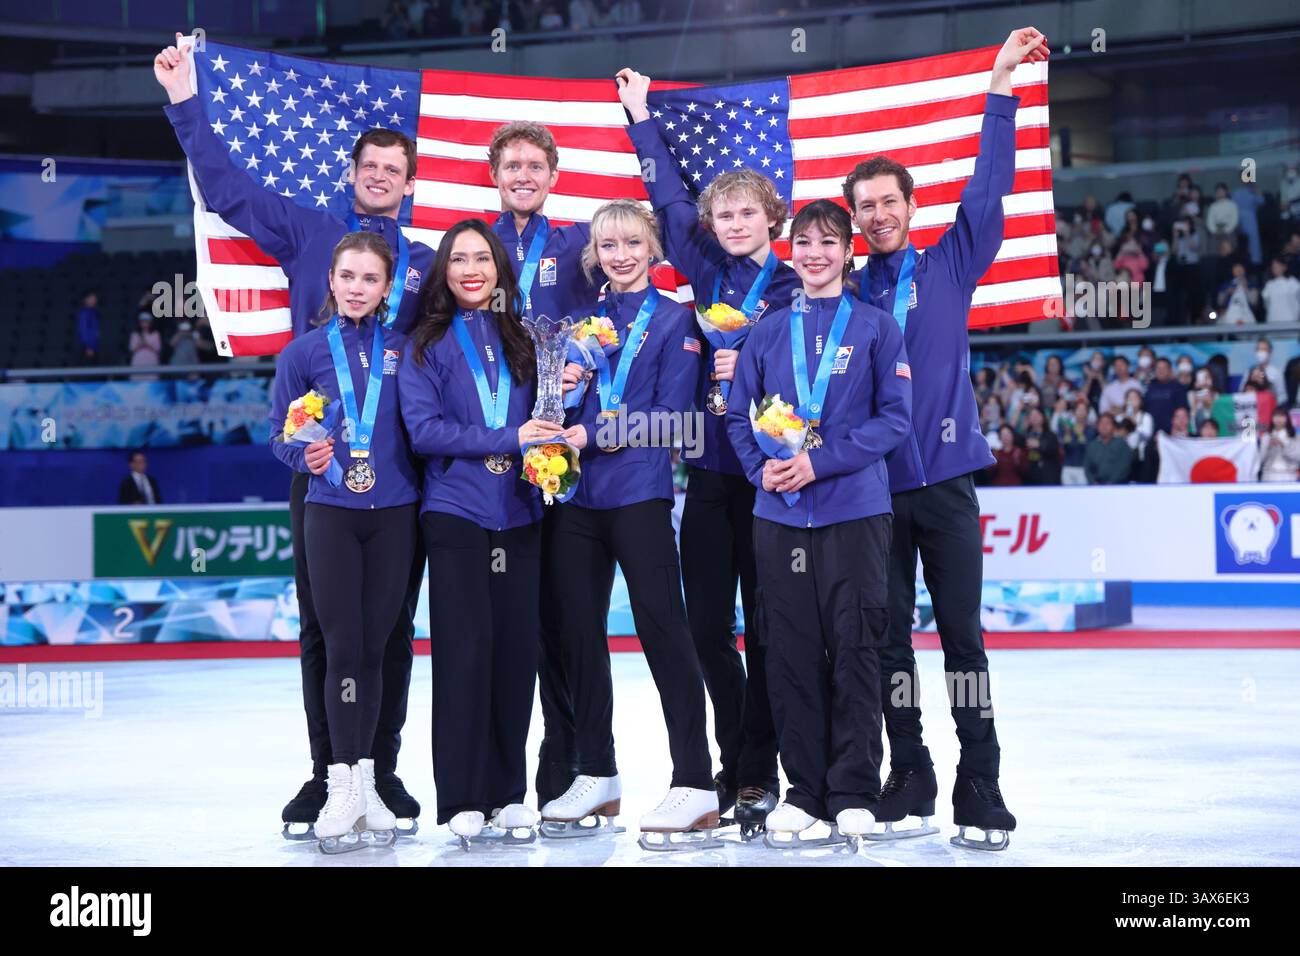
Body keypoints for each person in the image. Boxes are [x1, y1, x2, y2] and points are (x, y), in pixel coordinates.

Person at [155, 36, 434, 833]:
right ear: (353, 176)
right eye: (368, 167)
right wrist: (184, 102)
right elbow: (226, 189)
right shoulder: (309, 232)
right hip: (315, 469)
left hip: (399, 473)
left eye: (393, 169)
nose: (379, 177)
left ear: (408, 183)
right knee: (324, 629)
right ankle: (327, 772)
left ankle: (381, 769)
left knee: (389, 628)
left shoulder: (422, 261)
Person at [838, 26, 1047, 849]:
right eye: (866, 207)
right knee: (890, 644)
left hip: (950, 487)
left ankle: (981, 781)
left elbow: (991, 182)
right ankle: (910, 771)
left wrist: (1000, 86)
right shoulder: (843, 296)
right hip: (871, 494)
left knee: (963, 641)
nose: (879, 214)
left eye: (890, 202)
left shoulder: (952, 263)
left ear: (910, 207)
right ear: (853, 220)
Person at [617, 66, 800, 829]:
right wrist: (639, 116)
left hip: (772, 480)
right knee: (704, 628)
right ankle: (734, 758)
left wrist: (750, 350)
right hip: (709, 474)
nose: (730, 222)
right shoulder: (702, 267)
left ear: (770, 219)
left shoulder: (795, 283)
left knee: (767, 628)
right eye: (721, 212)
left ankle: (760, 773)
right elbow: (663, 197)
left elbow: (803, 371)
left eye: (744, 212)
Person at [726, 199, 911, 844]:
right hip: (778, 513)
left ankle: (854, 787)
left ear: (848, 252)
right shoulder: (767, 330)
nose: (814, 253)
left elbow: (894, 418)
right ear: (790, 251)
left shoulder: (877, 327)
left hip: (854, 510)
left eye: (827, 242)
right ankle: (804, 790)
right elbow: (735, 413)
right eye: (803, 242)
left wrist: (820, 462)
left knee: (856, 646)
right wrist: (761, 470)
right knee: (788, 651)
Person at [542, 200, 718, 843]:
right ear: (594, 253)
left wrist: (593, 429)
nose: (619, 255)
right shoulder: (580, 324)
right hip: (576, 498)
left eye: (631, 243)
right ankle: (597, 774)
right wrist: (561, 393)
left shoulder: (678, 322)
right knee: (577, 636)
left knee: (664, 634)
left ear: (653, 248)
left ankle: (695, 782)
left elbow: (675, 419)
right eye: (607, 245)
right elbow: (555, 409)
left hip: (638, 495)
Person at [398, 219, 559, 842]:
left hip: (521, 511)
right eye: (459, 258)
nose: (472, 269)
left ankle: (507, 792)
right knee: (465, 653)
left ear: (499, 269)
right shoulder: (424, 344)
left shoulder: (524, 338)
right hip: (457, 513)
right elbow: (426, 432)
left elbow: (545, 416)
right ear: (445, 271)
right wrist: (508, 438)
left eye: (483, 258)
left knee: (517, 655)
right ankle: (463, 796)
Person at [267, 232, 420, 849]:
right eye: (348, 277)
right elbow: (279, 438)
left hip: (396, 514)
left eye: (370, 280)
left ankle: (372, 780)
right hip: (330, 510)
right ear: (331, 280)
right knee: (341, 646)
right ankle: (341, 784)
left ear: (387, 288)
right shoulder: (302, 354)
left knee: (380, 646)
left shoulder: (409, 351)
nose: (357, 288)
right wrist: (306, 457)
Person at [484, 118, 598, 811]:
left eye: (534, 165)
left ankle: (570, 771)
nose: (522, 175)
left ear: (554, 176)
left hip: (566, 453)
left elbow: (616, 309)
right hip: (496, 453)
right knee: (507, 621)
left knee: (566, 615)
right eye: (511, 166)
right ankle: (496, 781)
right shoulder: (474, 247)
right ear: (494, 177)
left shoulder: (583, 244)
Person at [1084, 413, 1133, 484]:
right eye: (1101, 423)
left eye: (1107, 423)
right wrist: (1093, 482)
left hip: (1117, 486)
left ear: (1114, 427)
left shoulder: (1122, 444)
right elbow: (1087, 468)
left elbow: (1124, 467)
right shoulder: (1092, 445)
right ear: (1097, 427)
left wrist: (1111, 483)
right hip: (1096, 487)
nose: (1104, 426)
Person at [1258, 408, 1300, 482]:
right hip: (1268, 475)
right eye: (1276, 416)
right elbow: (1261, 460)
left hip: (1289, 475)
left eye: (1282, 416)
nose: (1278, 419)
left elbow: (1298, 457)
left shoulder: (1295, 437)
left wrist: (1283, 445)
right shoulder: (1266, 436)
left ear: (1287, 418)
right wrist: (1268, 447)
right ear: (1272, 418)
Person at [1022, 408, 1061, 485]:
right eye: (1032, 416)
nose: (1034, 417)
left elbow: (1053, 450)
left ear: (1043, 417)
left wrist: (1039, 445)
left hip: (1048, 477)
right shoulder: (1025, 436)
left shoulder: (1051, 436)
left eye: (1037, 415)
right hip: (1031, 478)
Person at [1261, 257, 1300, 325]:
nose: (1275, 269)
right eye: (1273, 267)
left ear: (1284, 267)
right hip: (1273, 320)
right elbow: (1266, 304)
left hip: (1292, 320)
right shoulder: (1269, 285)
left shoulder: (1293, 283)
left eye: (1278, 266)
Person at [77, 292, 100, 364]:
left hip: (94, 347)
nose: (95, 299)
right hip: (87, 349)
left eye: (95, 298)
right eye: (92, 298)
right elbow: (83, 330)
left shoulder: (94, 312)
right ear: (86, 300)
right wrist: (88, 347)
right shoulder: (84, 313)